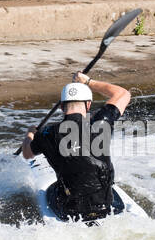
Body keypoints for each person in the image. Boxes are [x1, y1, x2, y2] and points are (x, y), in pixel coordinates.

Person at [21, 71, 132, 221]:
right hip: (105, 206)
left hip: (69, 211)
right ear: (88, 104)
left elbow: (27, 153)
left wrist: (30, 134)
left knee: (54, 188)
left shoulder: (46, 133)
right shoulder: (101, 123)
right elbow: (123, 94)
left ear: (61, 107)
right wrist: (88, 82)